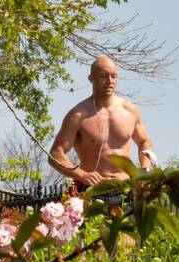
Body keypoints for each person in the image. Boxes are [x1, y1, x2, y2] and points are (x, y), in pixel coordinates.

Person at [48, 56, 158, 210]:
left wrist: (145, 169)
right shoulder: (78, 115)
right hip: (92, 191)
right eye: (103, 76)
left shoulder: (129, 110)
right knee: (91, 234)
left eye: (114, 76)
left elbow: (144, 142)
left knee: (129, 234)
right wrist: (81, 174)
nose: (110, 81)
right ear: (91, 78)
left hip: (127, 189)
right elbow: (55, 154)